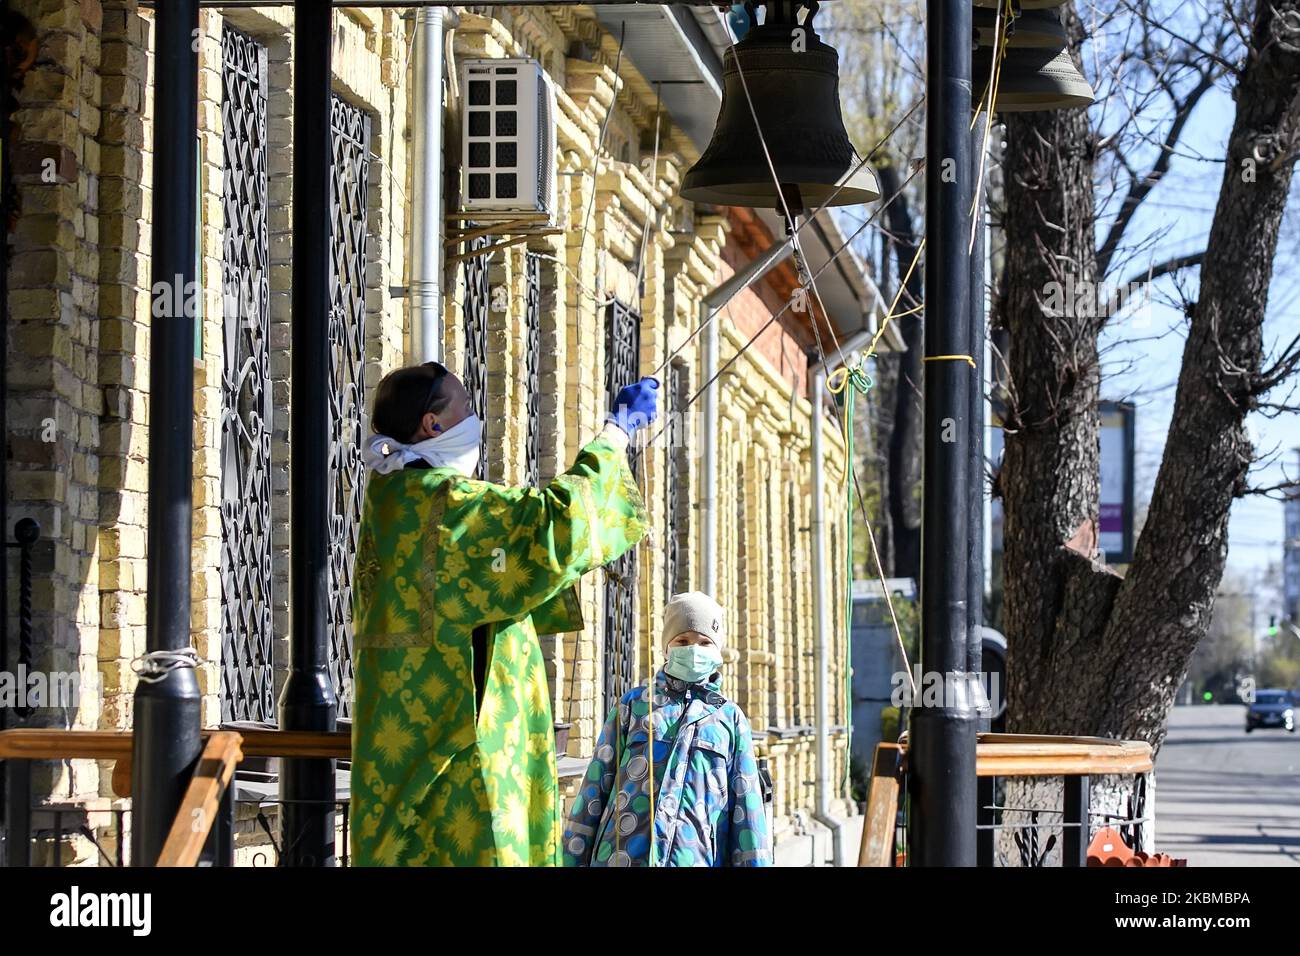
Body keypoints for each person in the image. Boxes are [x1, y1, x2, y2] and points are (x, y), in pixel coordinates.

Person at [349, 361, 658, 866]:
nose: (475, 419)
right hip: (456, 769)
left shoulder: (389, 502)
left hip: (395, 765)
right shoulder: (448, 504)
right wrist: (615, 434)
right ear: (433, 425)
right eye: (466, 408)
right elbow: (555, 525)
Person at [563, 591, 772, 866]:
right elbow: (595, 787)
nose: (693, 649)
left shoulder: (729, 720)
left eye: (704, 642)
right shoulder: (635, 706)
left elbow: (748, 813)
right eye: (682, 641)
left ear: (717, 652)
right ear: (666, 648)